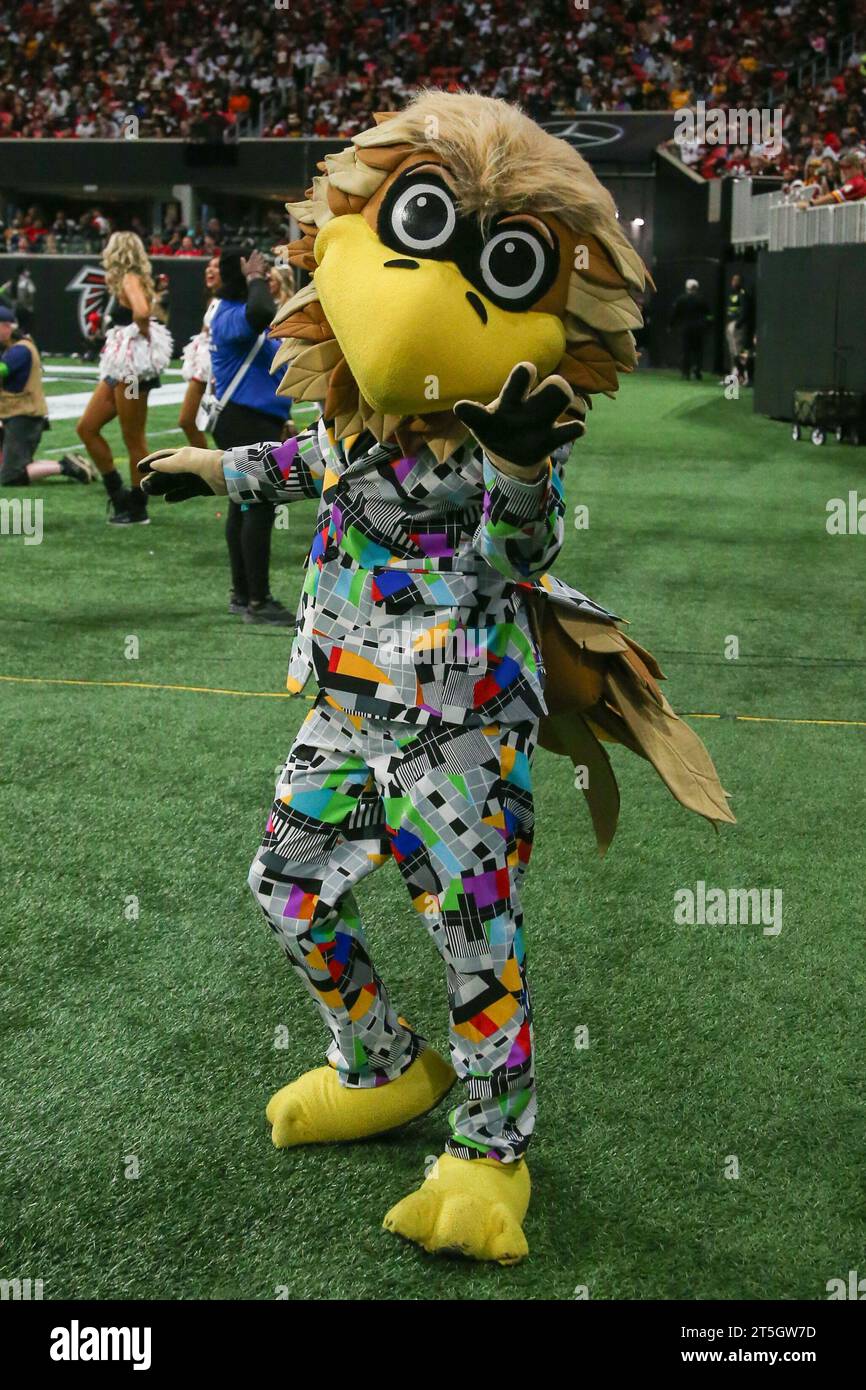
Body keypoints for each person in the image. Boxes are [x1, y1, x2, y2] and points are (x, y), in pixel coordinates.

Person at [138, 91, 733, 1266]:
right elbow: (305, 456)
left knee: (474, 934)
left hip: (456, 728)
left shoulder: (517, 444)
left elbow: (525, 553)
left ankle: (490, 1150)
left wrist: (515, 470)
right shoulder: (366, 421)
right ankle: (379, 1062)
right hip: (346, 706)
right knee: (283, 885)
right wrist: (212, 465)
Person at [208, 245, 293, 624]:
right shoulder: (228, 315)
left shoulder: (232, 313)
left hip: (255, 418)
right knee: (256, 506)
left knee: (242, 505)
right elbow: (260, 311)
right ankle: (258, 600)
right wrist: (254, 276)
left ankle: (243, 595)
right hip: (244, 420)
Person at [75, 231, 173, 525]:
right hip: (120, 371)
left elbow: (143, 312)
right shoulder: (133, 279)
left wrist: (141, 334)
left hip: (131, 374)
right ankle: (118, 494)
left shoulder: (129, 278)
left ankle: (137, 504)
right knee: (87, 428)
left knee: (133, 438)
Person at [0, 306, 95, 486]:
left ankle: (67, 466)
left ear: (6, 327)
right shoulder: (13, 347)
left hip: (23, 418)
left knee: (11, 476)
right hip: (14, 416)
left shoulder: (20, 350)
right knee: (10, 468)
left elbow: (2, 370)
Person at [177, 260, 220, 449]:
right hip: (205, 365)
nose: (210, 269)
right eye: (209, 266)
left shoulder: (234, 302)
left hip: (221, 365)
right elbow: (205, 332)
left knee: (222, 427)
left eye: (217, 267)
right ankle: (205, 468)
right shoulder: (213, 300)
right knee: (187, 420)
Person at [670, 277, 711, 380]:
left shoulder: (681, 299)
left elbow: (675, 314)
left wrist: (670, 325)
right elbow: (709, 315)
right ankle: (697, 371)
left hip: (685, 328)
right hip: (698, 328)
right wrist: (708, 326)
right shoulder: (702, 300)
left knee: (685, 350)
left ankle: (685, 372)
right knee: (698, 350)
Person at [724, 273, 752, 379]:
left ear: (740, 282)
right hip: (731, 324)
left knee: (738, 350)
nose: (733, 282)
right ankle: (735, 373)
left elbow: (745, 311)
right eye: (733, 280)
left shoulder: (743, 294)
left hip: (737, 326)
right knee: (732, 350)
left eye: (736, 280)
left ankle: (743, 374)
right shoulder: (732, 294)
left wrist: (738, 324)